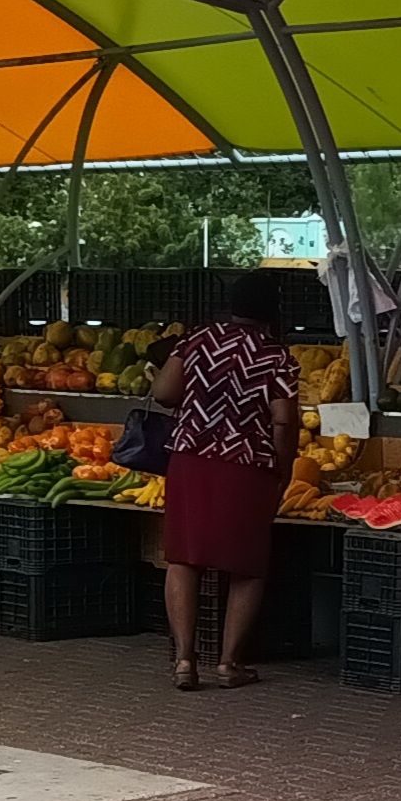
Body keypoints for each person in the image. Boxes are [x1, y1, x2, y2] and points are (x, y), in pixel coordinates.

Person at [153, 270, 299, 691]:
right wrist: (283, 469)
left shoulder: (197, 339)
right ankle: (229, 663)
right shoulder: (277, 355)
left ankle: (184, 660)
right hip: (246, 463)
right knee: (247, 567)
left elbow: (164, 393)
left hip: (190, 458)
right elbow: (284, 420)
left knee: (183, 558)